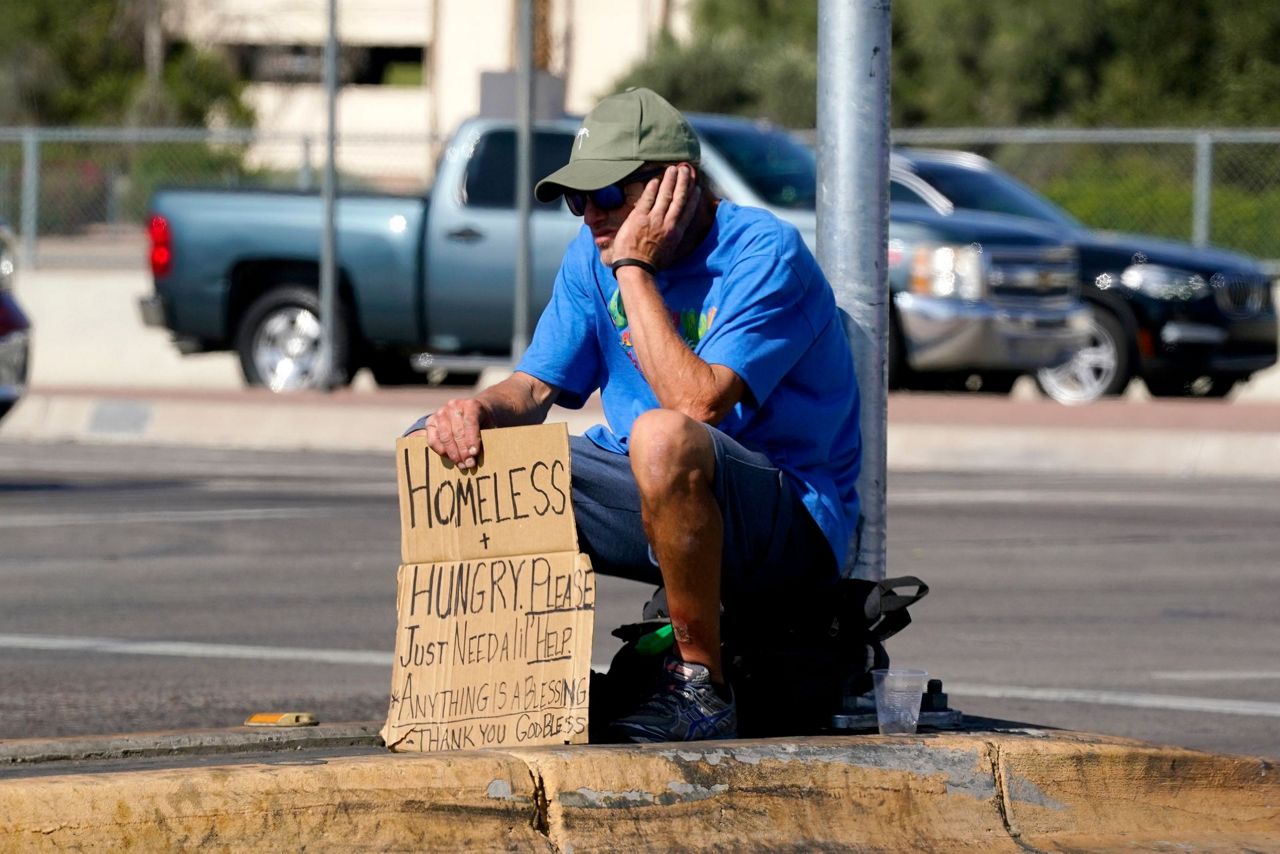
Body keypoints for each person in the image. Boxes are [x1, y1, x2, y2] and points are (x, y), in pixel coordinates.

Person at [407, 87, 861, 743]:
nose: (591, 215)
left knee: (661, 435)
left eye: (609, 195)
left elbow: (697, 405)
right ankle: (502, 682)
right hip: (652, 481)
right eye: (576, 200)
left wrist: (633, 267)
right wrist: (472, 411)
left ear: (676, 185)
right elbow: (535, 389)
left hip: (787, 517)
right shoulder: (592, 254)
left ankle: (702, 689)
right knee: (433, 447)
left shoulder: (763, 253)